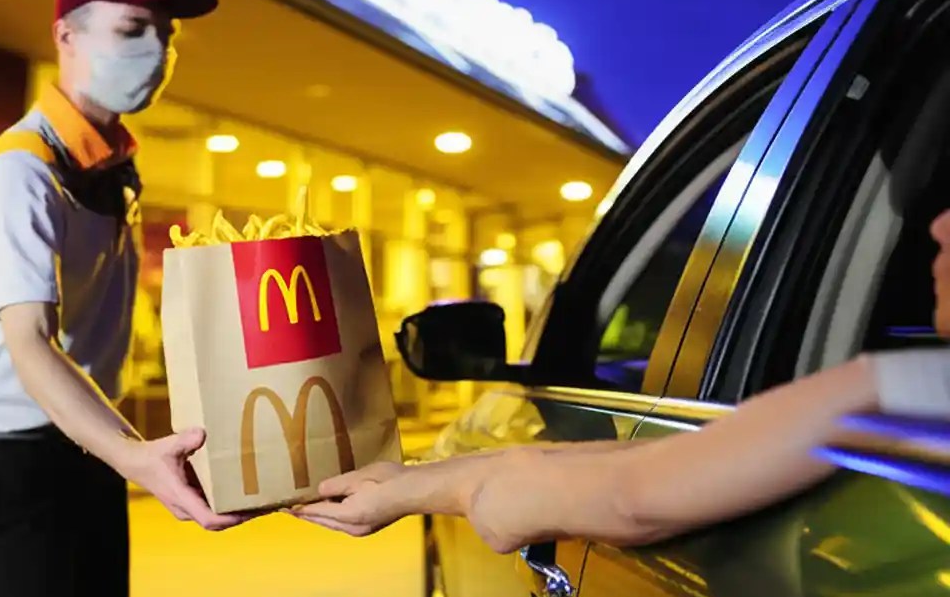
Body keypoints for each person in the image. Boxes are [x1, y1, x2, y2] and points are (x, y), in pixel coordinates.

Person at [294, 208, 950, 554]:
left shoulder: (899, 389)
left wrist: (468, 488)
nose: (938, 224)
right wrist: (413, 484)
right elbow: (699, 450)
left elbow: (637, 496)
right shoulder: (908, 397)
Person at [0, 0, 244, 597]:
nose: (157, 50)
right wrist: (133, 455)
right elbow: (30, 343)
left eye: (168, 34)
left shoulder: (108, 163)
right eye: (133, 29)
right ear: (66, 38)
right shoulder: (23, 169)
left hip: (85, 446)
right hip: (4, 465)